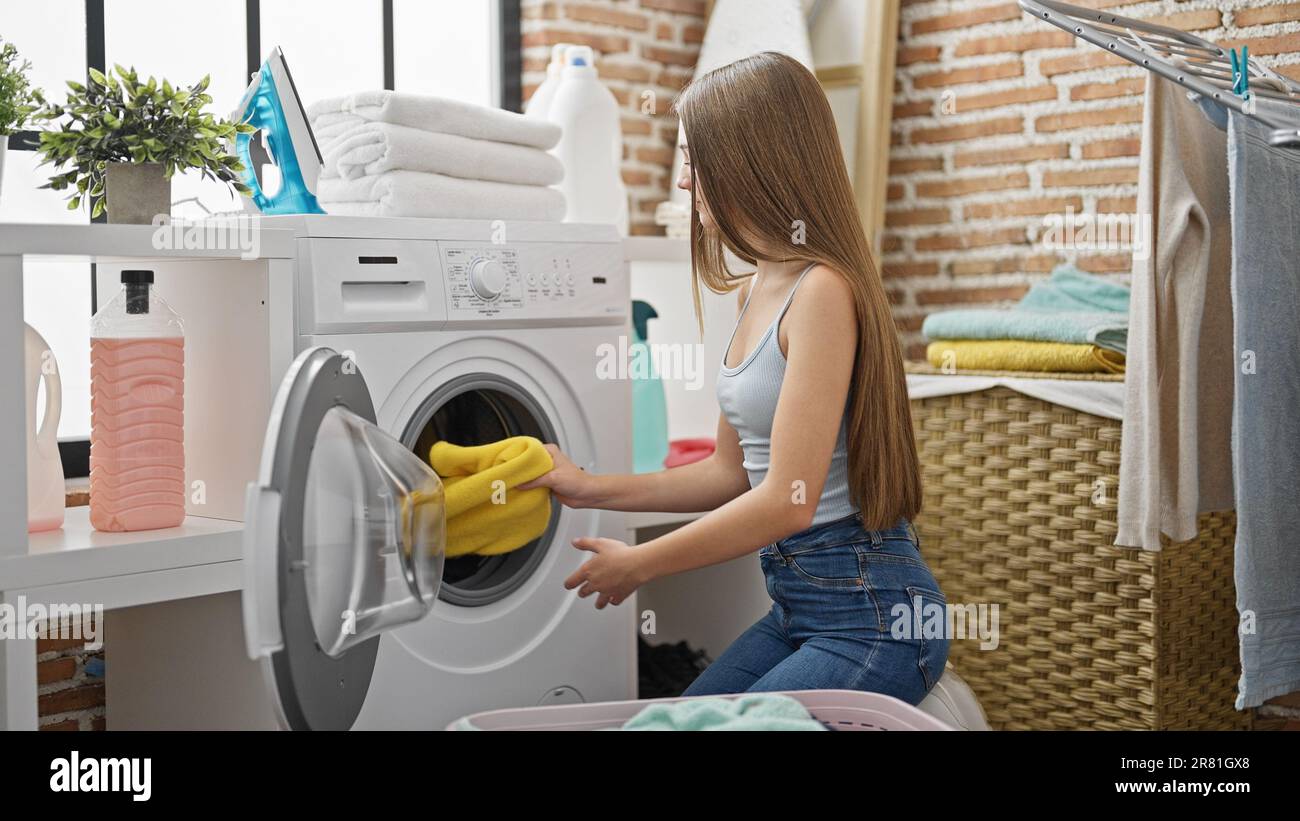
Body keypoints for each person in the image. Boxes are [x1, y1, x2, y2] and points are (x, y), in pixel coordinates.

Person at [520, 51, 948, 703]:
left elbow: (788, 499)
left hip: (877, 623)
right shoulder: (755, 290)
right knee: (676, 720)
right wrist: (588, 486)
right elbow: (729, 474)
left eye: (693, 160)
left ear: (747, 162)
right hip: (798, 613)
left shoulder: (822, 291)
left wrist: (641, 563)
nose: (685, 183)